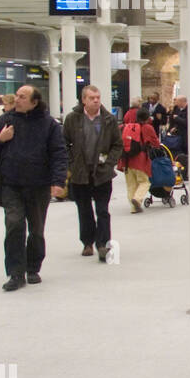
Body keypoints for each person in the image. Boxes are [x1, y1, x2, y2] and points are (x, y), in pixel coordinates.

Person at [0, 84, 68, 291]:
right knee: (14, 225)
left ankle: (33, 267)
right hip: (11, 183)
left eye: (22, 97)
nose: (17, 99)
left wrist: (58, 181)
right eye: (17, 95)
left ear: (34, 101)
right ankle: (15, 273)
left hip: (38, 185)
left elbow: (59, 153)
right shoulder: (5, 121)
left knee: (36, 230)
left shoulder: (49, 124)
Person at [62, 84, 124, 262]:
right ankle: (87, 242)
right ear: (83, 100)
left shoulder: (108, 120)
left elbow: (117, 145)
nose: (96, 100)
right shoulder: (73, 119)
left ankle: (103, 244)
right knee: (84, 210)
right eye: (91, 98)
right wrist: (71, 163)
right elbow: (63, 143)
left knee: (103, 210)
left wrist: (110, 162)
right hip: (80, 173)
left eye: (98, 97)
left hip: (102, 173)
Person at [117, 105, 160, 213]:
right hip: (140, 160)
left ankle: (133, 208)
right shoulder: (147, 128)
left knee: (131, 184)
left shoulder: (125, 126)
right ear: (147, 118)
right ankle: (137, 199)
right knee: (145, 182)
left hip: (126, 160)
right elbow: (156, 143)